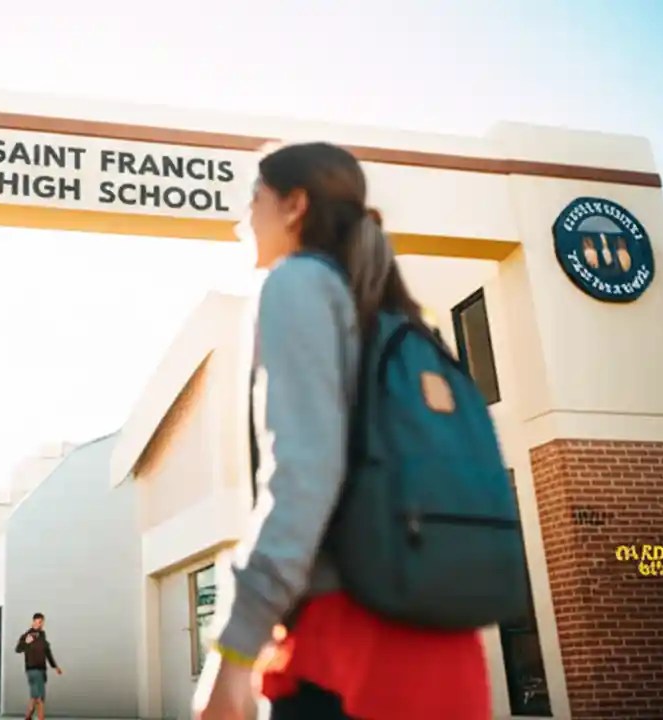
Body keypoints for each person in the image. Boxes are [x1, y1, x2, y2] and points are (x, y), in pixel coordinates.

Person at [194, 143, 491, 720]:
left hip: (346, 655)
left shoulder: (297, 284)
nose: (241, 221)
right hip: (443, 650)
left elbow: (303, 475)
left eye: (254, 200)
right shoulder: (397, 314)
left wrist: (234, 652)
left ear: (294, 206)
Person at [15, 612, 63, 720]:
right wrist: (26, 642)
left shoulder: (42, 638)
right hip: (32, 669)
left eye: (41, 622)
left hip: (41, 670)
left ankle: (28, 717)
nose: (39, 624)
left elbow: (48, 653)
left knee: (34, 696)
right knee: (40, 697)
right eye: (38, 622)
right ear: (33, 622)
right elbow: (18, 649)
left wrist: (55, 667)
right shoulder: (27, 636)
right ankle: (41, 718)